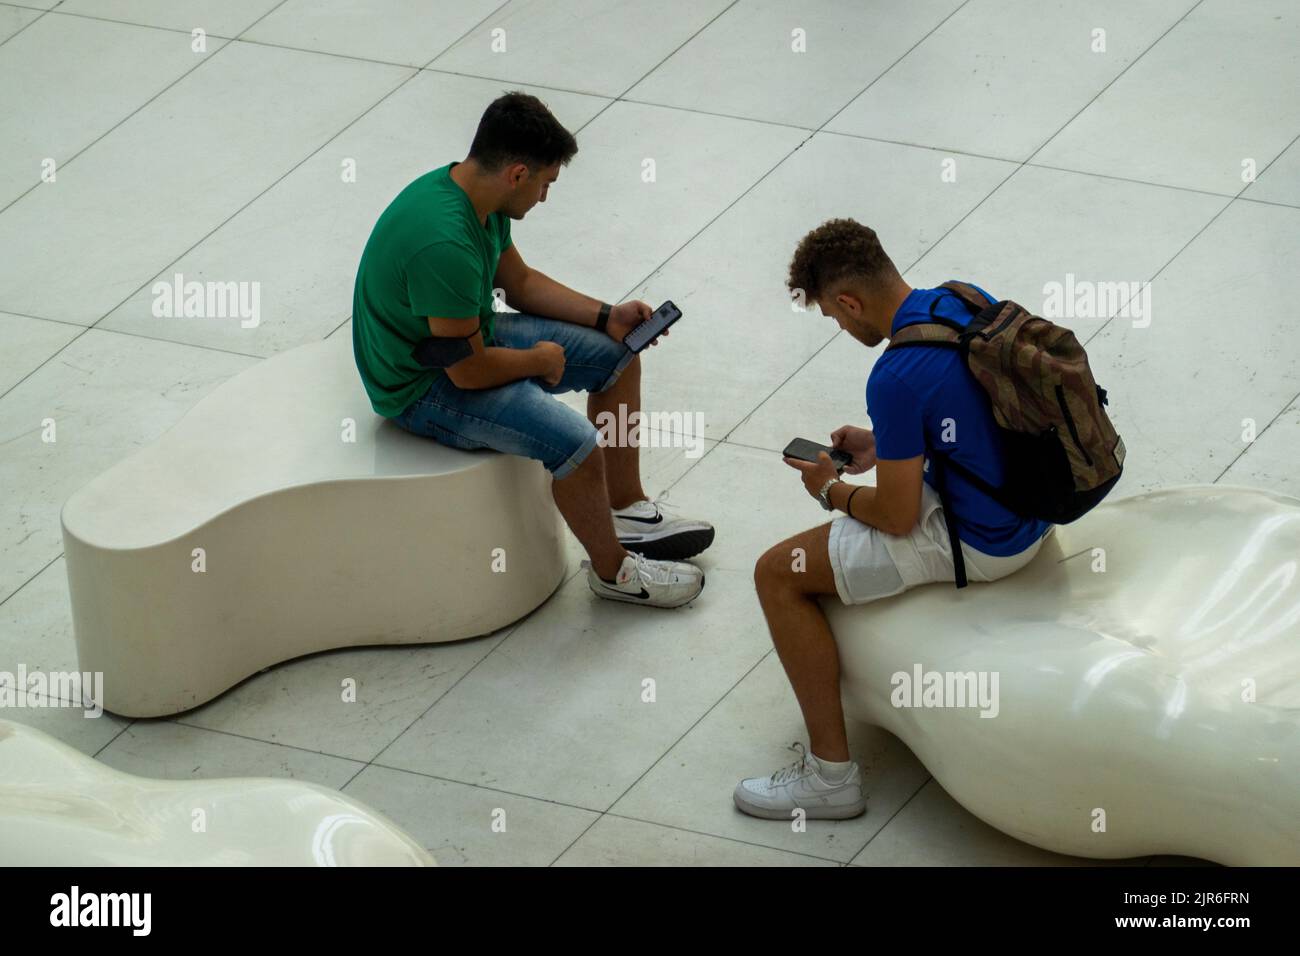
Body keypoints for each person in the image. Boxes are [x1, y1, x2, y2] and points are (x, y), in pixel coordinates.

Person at [734, 218, 1055, 819]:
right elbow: (973, 411)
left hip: (988, 541)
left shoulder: (893, 375)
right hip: (1035, 508)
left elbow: (898, 516)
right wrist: (885, 444)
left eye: (833, 314)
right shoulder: (960, 298)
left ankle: (830, 780)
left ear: (849, 300)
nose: (839, 325)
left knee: (777, 573)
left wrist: (829, 489)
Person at [352, 91, 713, 609]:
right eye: (546, 183)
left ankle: (624, 506)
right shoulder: (445, 243)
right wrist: (537, 362)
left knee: (619, 358)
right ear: (518, 174)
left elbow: (518, 282)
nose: (545, 197)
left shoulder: (478, 197)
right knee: (577, 446)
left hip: (464, 337)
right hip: (420, 385)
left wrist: (606, 317)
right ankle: (613, 574)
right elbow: (468, 372)